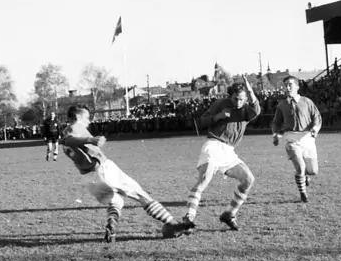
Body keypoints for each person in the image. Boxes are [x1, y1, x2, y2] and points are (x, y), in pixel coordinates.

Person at [60, 104, 189, 242]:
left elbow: (66, 140)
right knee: (141, 195)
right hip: (103, 169)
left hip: (89, 179)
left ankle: (112, 223)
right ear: (78, 116)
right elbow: (69, 139)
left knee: (116, 201)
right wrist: (90, 139)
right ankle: (172, 223)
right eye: (87, 117)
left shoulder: (65, 132)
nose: (89, 121)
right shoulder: (75, 127)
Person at [184, 75, 261, 231]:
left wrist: (250, 90)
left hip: (229, 151)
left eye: (241, 99)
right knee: (204, 179)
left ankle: (229, 214)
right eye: (235, 99)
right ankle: (188, 218)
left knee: (248, 180)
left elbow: (256, 110)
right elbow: (201, 122)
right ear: (230, 96)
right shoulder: (219, 104)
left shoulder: (246, 109)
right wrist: (218, 116)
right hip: (213, 145)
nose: (238, 102)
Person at [271, 75, 323, 203]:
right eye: (286, 85)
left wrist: (315, 129)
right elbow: (276, 123)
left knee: (313, 171)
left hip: (307, 138)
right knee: (300, 167)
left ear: (297, 86)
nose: (288, 88)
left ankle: (306, 176)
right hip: (291, 138)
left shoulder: (307, 102)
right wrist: (275, 135)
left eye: (290, 85)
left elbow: (317, 117)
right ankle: (303, 193)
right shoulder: (282, 105)